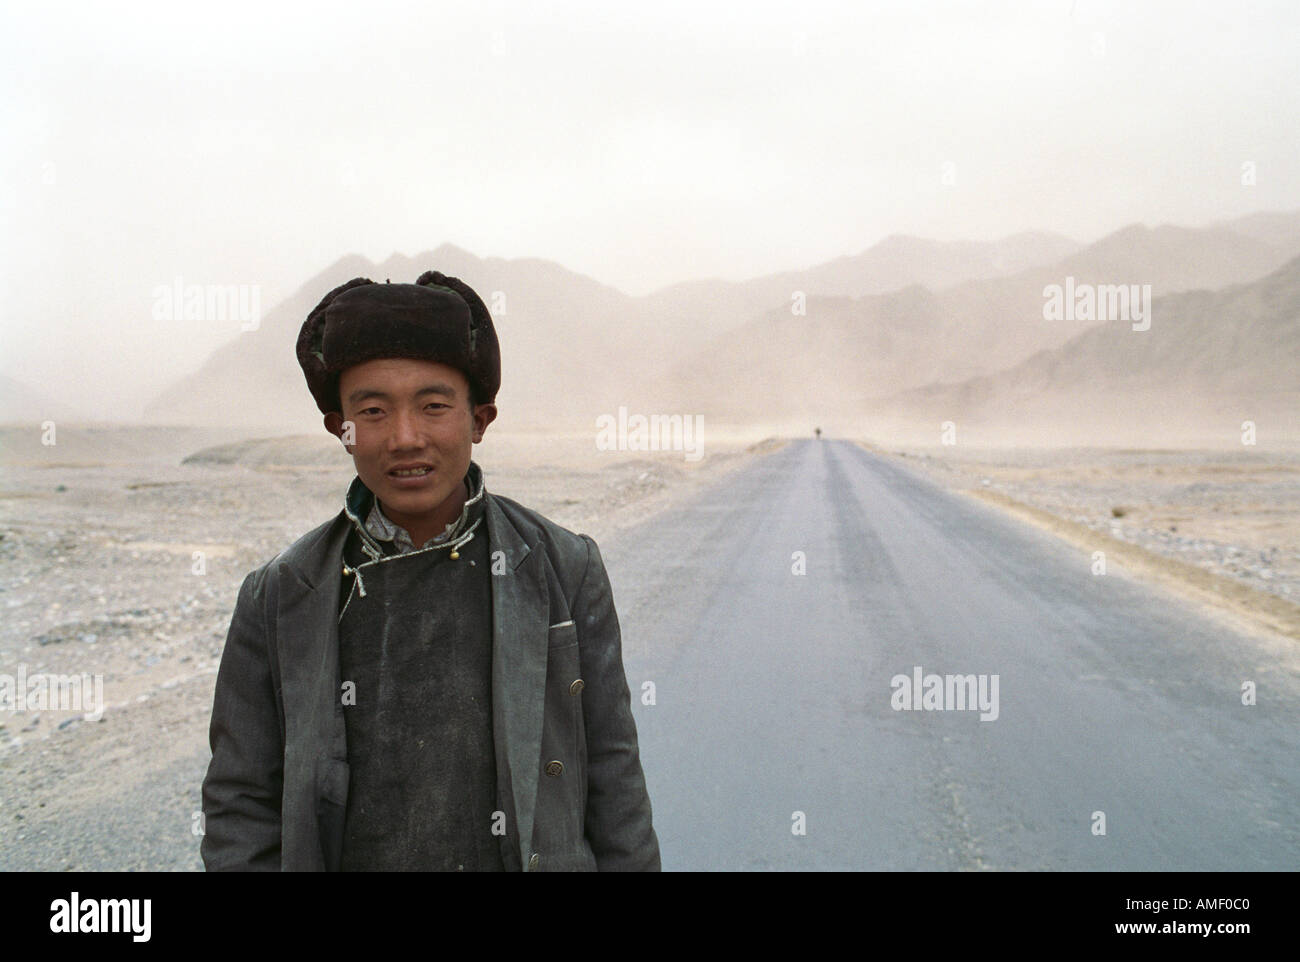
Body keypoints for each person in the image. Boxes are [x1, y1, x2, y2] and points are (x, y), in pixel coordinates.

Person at [199, 270, 660, 872]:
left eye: (434, 406)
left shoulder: (563, 568)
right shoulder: (282, 593)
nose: (405, 438)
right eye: (372, 410)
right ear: (341, 428)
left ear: (479, 420)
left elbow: (613, 776)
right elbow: (240, 801)